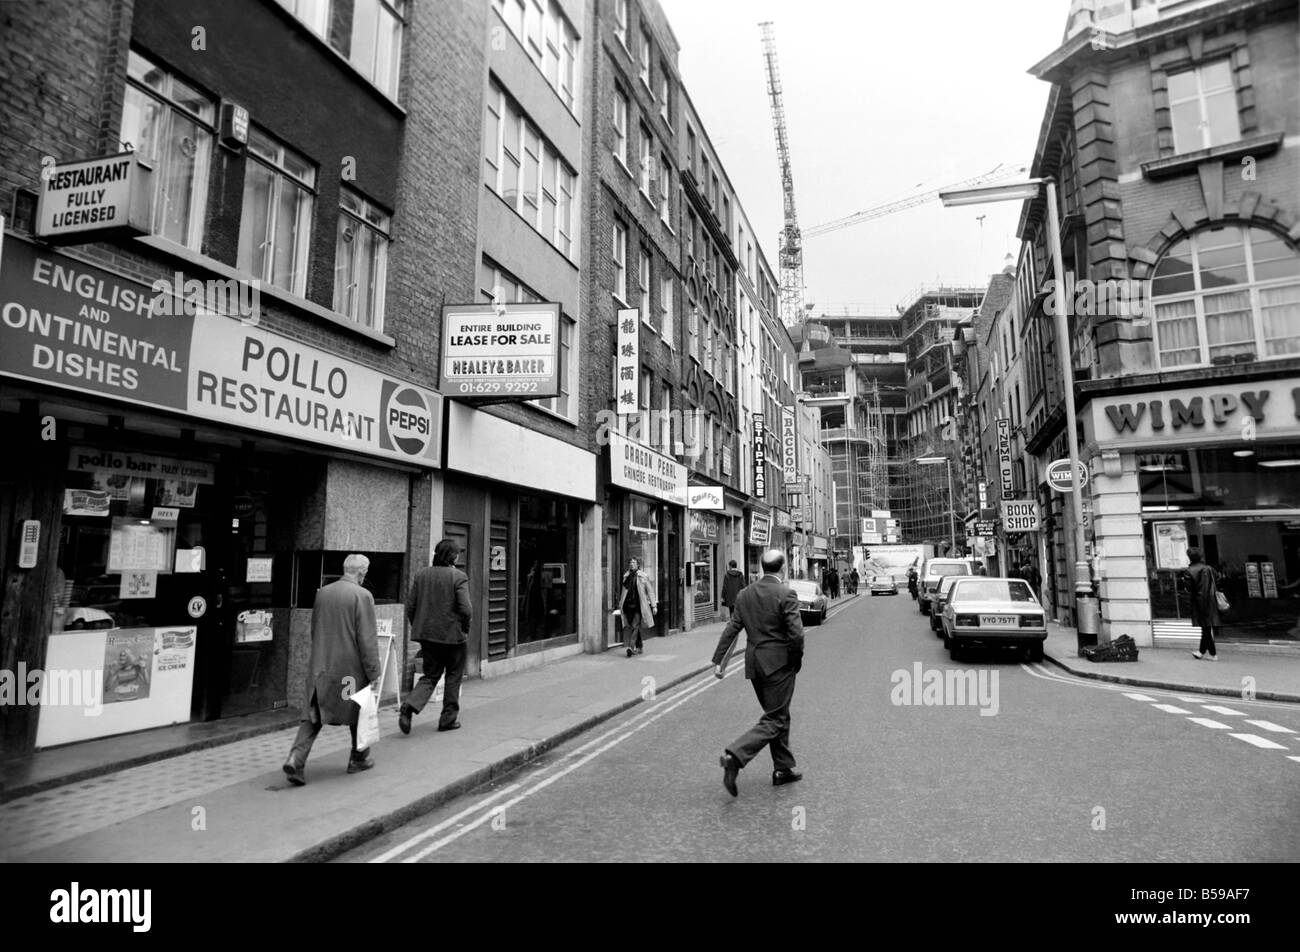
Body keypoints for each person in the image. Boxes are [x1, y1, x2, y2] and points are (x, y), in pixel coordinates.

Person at [713, 549, 805, 797]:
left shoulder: (745, 594)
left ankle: (783, 769)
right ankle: (735, 755)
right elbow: (796, 635)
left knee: (777, 714)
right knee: (775, 719)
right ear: (783, 568)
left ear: (764, 567)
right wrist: (795, 661)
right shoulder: (786, 593)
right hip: (778, 664)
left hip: (754, 665)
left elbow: (732, 628)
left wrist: (719, 660)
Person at [284, 554, 381, 785]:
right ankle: (358, 757)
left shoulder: (323, 593)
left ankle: (296, 758)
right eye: (366, 571)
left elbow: (315, 628)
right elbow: (367, 639)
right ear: (362, 572)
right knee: (358, 708)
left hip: (321, 666)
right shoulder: (363, 596)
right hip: (349, 669)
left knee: (314, 713)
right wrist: (374, 672)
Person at [400, 539, 472, 735]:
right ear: (453, 556)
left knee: (430, 676)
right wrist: (464, 629)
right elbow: (466, 609)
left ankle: (408, 706)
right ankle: (447, 720)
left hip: (428, 636)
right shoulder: (458, 576)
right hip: (453, 637)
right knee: (453, 676)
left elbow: (411, 606)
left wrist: (420, 627)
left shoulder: (422, 574)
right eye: (457, 553)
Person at [1180, 547, 1221, 660]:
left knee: (1206, 629)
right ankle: (1201, 652)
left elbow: (1188, 589)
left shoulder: (1189, 571)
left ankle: (1213, 654)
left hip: (1199, 602)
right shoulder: (1210, 568)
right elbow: (1218, 581)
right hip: (1211, 600)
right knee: (1206, 628)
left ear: (1189, 557)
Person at [620, 557, 656, 657]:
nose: (631, 564)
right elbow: (623, 592)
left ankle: (631, 647)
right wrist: (621, 605)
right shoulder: (626, 576)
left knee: (634, 625)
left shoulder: (643, 576)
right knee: (634, 627)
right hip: (628, 606)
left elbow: (650, 591)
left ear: (637, 565)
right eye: (630, 562)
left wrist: (654, 606)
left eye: (634, 562)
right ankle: (639, 647)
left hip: (639, 606)